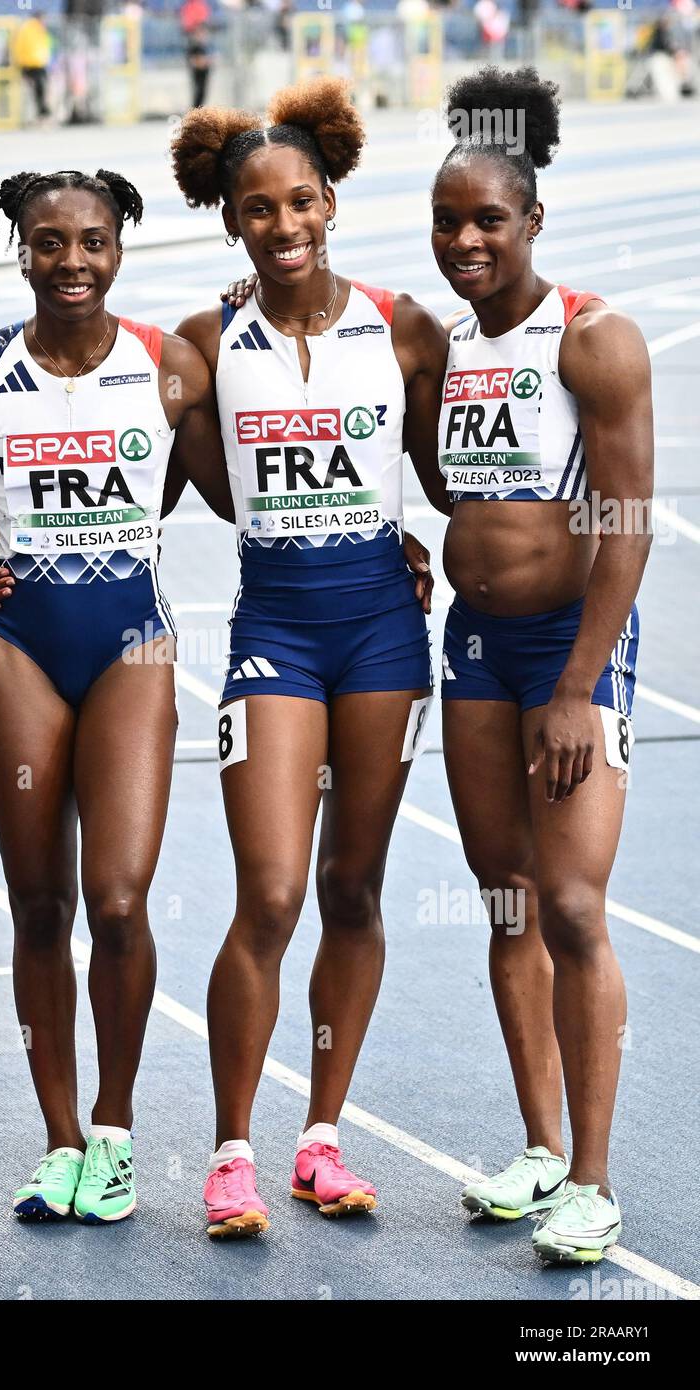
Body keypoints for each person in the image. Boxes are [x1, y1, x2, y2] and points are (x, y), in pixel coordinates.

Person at [170, 78, 450, 1238]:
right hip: (275, 631)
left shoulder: (405, 327)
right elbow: (183, 481)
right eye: (256, 212)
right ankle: (233, 1148)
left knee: (351, 888)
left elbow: (454, 483)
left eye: (299, 205)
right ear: (231, 221)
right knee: (273, 890)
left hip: (384, 631)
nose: (282, 229)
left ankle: (321, 1135)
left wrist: (429, 541)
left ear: (329, 201)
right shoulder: (201, 340)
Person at [0, 168, 232, 1223]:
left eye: (92, 242)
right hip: (20, 644)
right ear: (18, 246)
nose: (71, 262)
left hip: (131, 644)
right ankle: (58, 1140)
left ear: (119, 249)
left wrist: (396, 539)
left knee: (117, 898)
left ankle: (114, 1129)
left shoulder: (169, 366)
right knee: (40, 904)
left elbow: (245, 493)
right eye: (48, 242)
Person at [431, 67, 653, 1264]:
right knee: (505, 888)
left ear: (531, 222)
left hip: (568, 658)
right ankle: (535, 1143)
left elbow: (627, 521)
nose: (465, 239)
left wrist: (577, 682)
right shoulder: (453, 348)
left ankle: (596, 1177)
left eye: (487, 220)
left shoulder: (593, 337)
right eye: (447, 221)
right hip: (471, 649)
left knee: (569, 903)